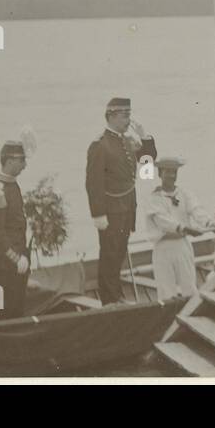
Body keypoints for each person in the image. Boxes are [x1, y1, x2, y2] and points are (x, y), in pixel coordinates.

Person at [85, 97, 158, 304]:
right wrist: (98, 214)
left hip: (127, 206)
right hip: (110, 210)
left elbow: (146, 169)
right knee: (110, 253)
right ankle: (110, 299)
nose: (129, 120)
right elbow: (93, 183)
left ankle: (115, 294)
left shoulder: (127, 140)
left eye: (129, 115)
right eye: (125, 116)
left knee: (119, 252)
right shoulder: (100, 145)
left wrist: (146, 139)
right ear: (112, 116)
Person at [144, 157, 212, 302]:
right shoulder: (154, 198)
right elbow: (162, 221)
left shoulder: (185, 193)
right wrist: (185, 228)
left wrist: (209, 223)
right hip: (163, 247)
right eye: (168, 172)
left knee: (189, 286)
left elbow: (196, 209)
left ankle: (190, 317)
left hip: (182, 246)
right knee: (166, 290)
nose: (171, 176)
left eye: (174, 172)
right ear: (160, 174)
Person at [0, 140, 30, 318]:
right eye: (22, 161)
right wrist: (16, 258)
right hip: (3, 263)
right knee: (2, 310)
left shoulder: (12, 185)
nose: (25, 165)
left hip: (14, 261)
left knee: (16, 309)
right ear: (10, 161)